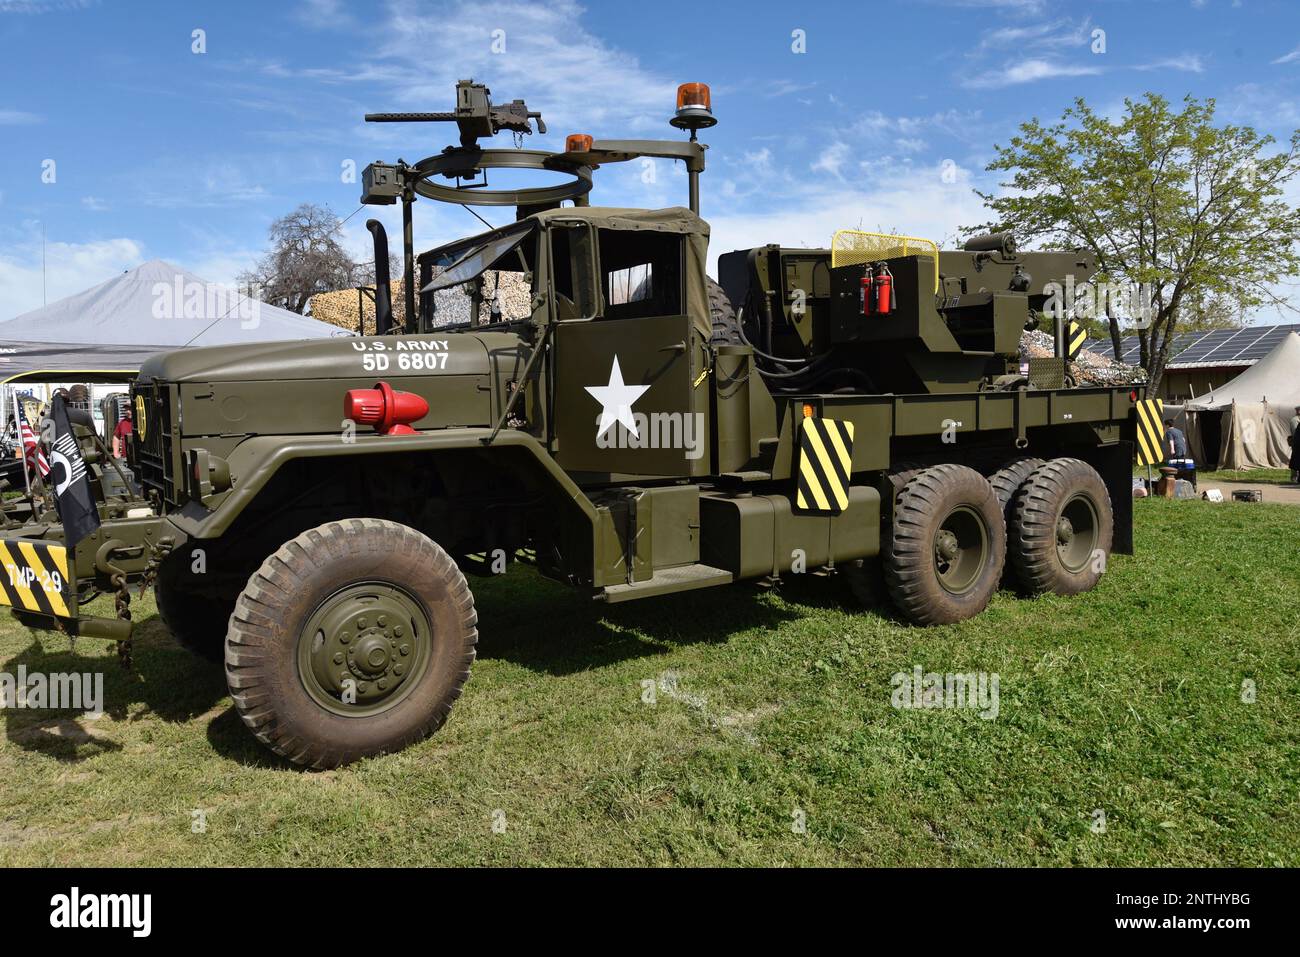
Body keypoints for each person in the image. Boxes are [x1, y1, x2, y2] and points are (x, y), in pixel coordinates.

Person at [1289, 405, 1300, 485]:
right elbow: (1295, 433)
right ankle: (1294, 477)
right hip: (1297, 444)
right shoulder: (1295, 420)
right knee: (1295, 461)